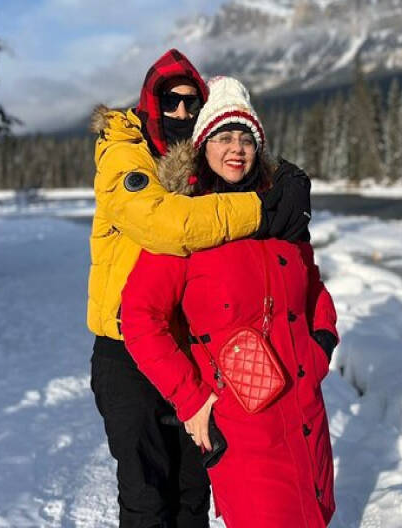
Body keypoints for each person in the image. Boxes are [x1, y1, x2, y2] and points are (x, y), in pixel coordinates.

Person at [88, 51, 311, 528]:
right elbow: (165, 225)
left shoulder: (192, 172)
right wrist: (263, 209)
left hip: (187, 349)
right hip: (126, 350)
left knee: (193, 493)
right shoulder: (124, 155)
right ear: (151, 103)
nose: (183, 114)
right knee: (149, 496)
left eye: (193, 105)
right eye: (171, 102)